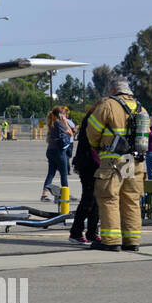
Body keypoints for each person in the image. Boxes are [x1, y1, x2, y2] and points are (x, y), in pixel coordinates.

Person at [86, 77, 147, 251]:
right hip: (136, 162)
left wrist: (97, 146)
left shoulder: (108, 105)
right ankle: (132, 241)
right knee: (131, 199)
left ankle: (111, 241)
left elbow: (93, 130)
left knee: (109, 198)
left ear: (113, 90)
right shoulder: (141, 107)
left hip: (114, 161)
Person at [68, 104, 102, 245]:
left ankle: (92, 232)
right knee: (88, 199)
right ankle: (76, 232)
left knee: (97, 201)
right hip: (88, 164)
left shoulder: (95, 120)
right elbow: (91, 145)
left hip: (95, 164)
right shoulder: (92, 121)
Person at [41, 107, 73, 202]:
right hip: (59, 151)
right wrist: (65, 122)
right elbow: (70, 133)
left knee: (51, 173)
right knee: (63, 173)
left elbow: (47, 140)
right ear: (60, 114)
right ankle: (65, 193)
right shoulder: (59, 123)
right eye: (63, 114)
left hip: (50, 151)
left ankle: (44, 194)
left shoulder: (51, 124)